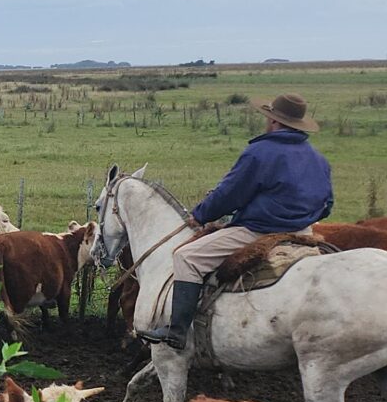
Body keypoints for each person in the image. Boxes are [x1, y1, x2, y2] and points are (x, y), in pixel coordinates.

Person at [138, 93, 333, 349]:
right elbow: (327, 205)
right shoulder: (319, 159)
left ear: (273, 121)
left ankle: (177, 332)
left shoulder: (260, 152)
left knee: (187, 257)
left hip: (259, 232)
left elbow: (230, 193)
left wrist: (200, 215)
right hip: (304, 232)